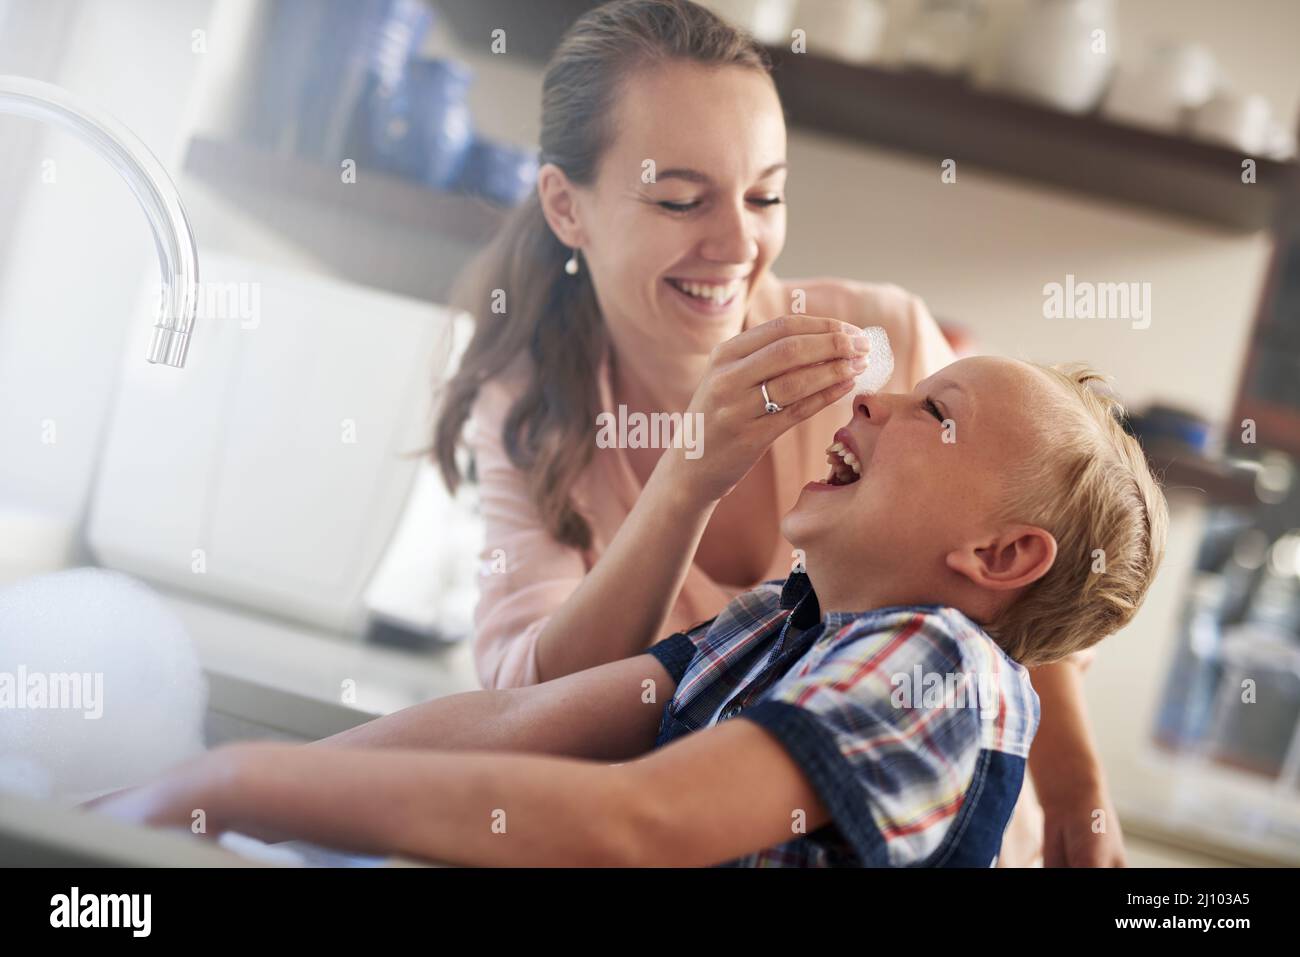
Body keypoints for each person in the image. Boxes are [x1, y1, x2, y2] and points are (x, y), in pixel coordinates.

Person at [433, 0, 1125, 865]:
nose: (737, 243)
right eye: (681, 199)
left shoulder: (882, 342)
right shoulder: (533, 406)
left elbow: (1017, 550)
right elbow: (532, 718)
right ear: (567, 207)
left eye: (766, 195)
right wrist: (687, 479)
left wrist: (1078, 794)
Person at [90, 358, 1168, 867]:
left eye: (934, 410)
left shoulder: (939, 666)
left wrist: (236, 780)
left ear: (999, 555)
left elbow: (637, 823)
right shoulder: (785, 623)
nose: (871, 399)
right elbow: (513, 724)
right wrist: (221, 794)